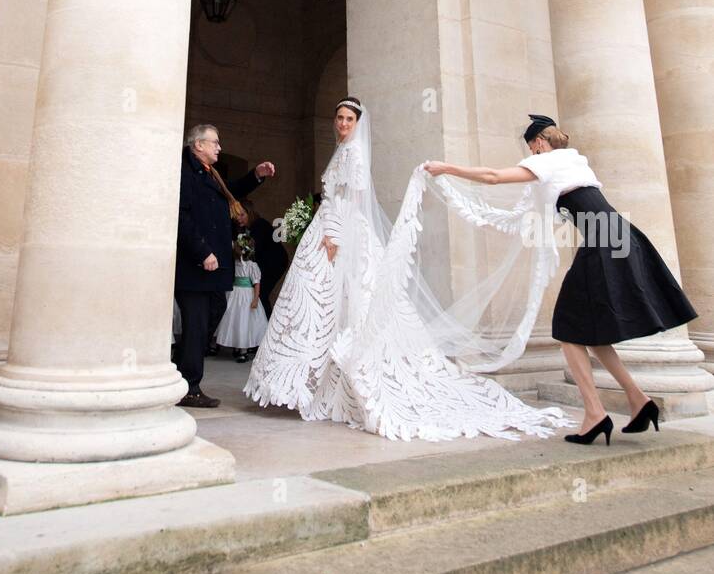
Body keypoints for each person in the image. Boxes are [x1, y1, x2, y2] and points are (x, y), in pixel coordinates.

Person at [245, 98, 571, 441]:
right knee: (319, 306)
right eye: (339, 118)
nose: (342, 124)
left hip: (342, 234)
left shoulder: (354, 153)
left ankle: (334, 384)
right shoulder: (341, 150)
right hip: (327, 229)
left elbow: (354, 199)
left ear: (358, 123)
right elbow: (331, 198)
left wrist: (335, 236)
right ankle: (313, 384)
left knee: (351, 302)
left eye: (348, 119)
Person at [423, 115, 698, 445]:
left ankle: (595, 414)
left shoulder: (550, 162)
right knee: (591, 333)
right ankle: (638, 400)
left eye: (530, 148)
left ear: (539, 142)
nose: (530, 155)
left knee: (567, 328)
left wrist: (447, 168)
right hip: (620, 236)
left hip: (602, 243)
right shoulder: (575, 160)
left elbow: (493, 177)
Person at [175, 124, 275, 408]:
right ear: (198, 146)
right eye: (215, 143)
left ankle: (183, 376)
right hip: (195, 265)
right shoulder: (185, 172)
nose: (219, 147)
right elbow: (182, 217)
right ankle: (188, 387)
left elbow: (229, 191)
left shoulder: (210, 173)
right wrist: (203, 251)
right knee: (196, 325)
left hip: (213, 269)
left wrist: (256, 175)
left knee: (213, 313)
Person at [215, 246, 268, 363]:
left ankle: (243, 350)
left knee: (244, 320)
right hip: (234, 293)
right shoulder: (234, 263)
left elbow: (256, 283)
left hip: (246, 295)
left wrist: (255, 299)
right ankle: (236, 346)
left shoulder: (252, 266)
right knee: (234, 319)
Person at [241, 199, 288, 318]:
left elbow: (251, 252)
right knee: (261, 294)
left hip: (274, 264)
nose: (238, 218)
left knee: (261, 294)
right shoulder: (247, 227)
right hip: (266, 263)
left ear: (249, 213)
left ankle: (267, 326)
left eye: (242, 215)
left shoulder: (258, 225)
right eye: (236, 215)